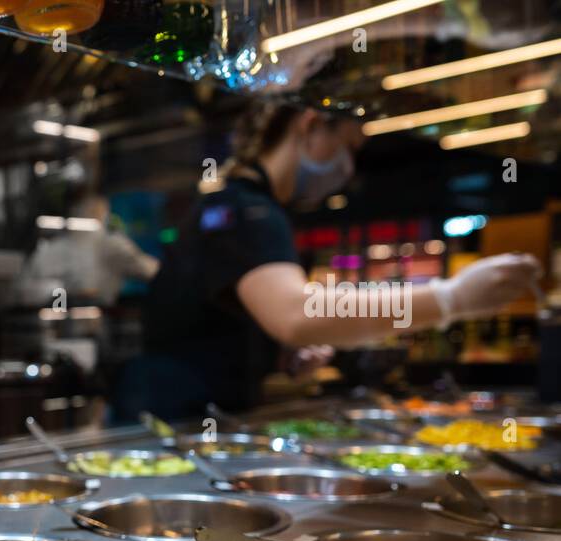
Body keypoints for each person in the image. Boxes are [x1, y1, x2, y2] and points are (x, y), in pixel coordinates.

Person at [113, 100, 542, 420]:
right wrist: (452, 298)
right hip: (174, 421)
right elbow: (299, 313)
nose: (349, 169)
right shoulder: (248, 211)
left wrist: (274, 354)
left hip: (176, 415)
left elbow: (217, 322)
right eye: (347, 146)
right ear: (312, 125)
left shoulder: (233, 206)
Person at [27, 195, 159, 306]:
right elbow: (152, 271)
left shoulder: (50, 248)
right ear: (103, 214)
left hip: (50, 324)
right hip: (93, 325)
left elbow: (24, 291)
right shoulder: (110, 244)